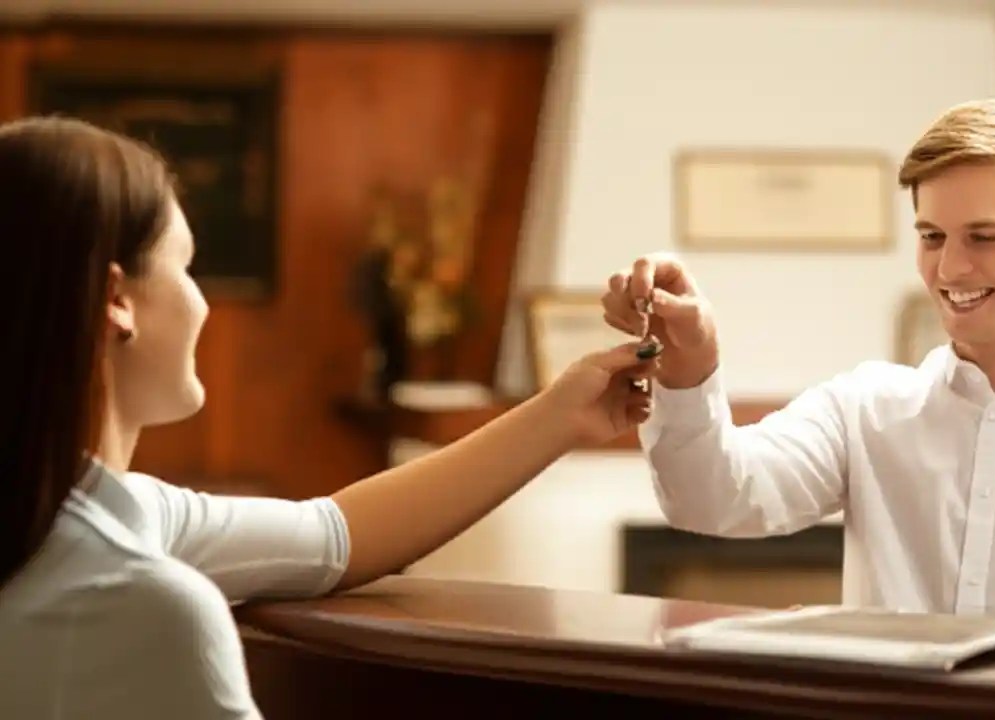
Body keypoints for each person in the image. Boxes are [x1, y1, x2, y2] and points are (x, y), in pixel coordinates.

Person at [0, 116, 657, 719]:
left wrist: (560, 415)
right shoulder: (148, 606)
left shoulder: (71, 521)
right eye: (185, 266)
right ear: (117, 299)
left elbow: (331, 537)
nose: (202, 304)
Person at [601, 98, 995, 628]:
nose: (950, 269)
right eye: (932, 236)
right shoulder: (864, 409)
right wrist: (688, 372)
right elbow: (711, 501)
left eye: (984, 238)